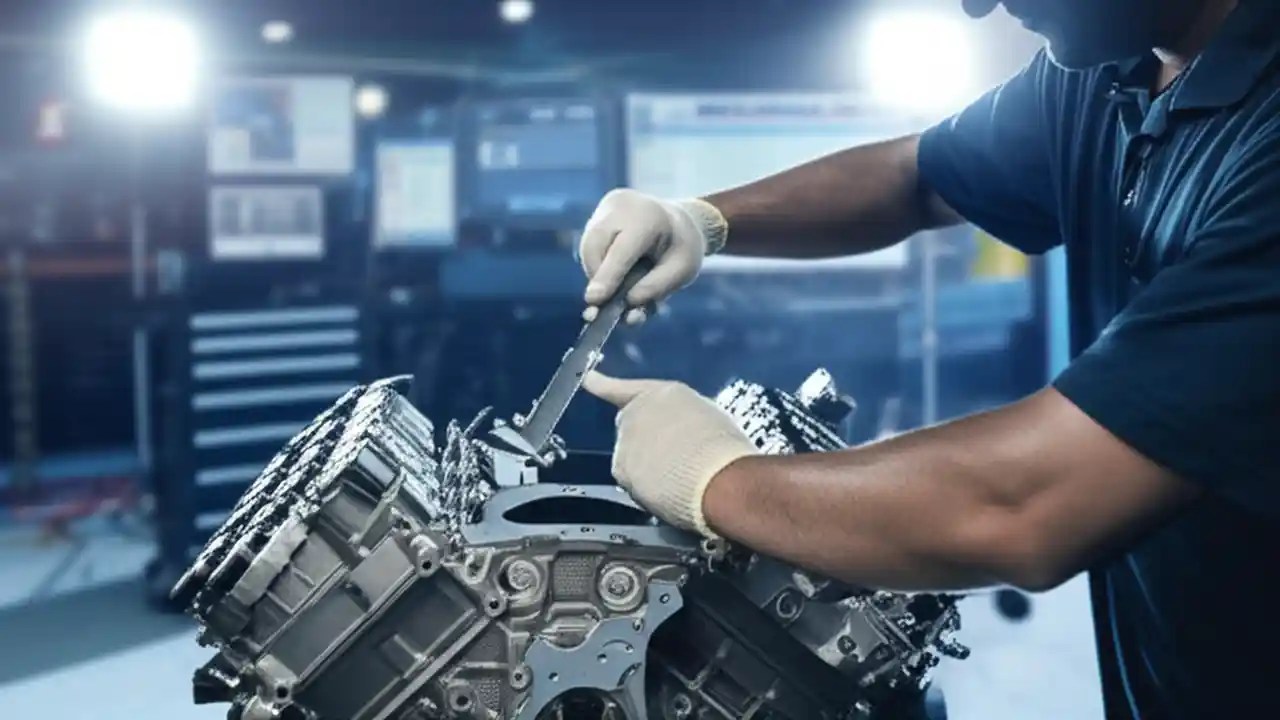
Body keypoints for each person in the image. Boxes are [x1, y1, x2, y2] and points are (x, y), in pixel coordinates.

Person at [575, 1, 1280, 718]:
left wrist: (716, 483)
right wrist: (701, 220)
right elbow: (917, 178)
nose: (976, 6)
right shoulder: (1115, 71)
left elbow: (1025, 507)